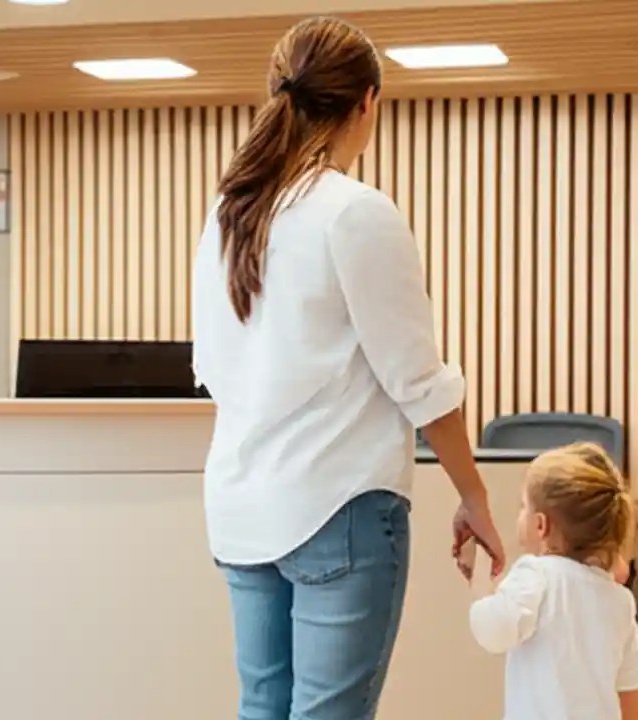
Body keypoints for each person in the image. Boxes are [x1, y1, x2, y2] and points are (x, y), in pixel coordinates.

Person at [191, 16, 506, 720]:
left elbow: (211, 367)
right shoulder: (354, 213)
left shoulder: (227, 214)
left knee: (264, 708)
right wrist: (475, 497)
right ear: (368, 102)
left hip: (243, 507)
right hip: (339, 509)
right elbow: (419, 383)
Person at [468, 442, 638, 720]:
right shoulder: (620, 600)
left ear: (541, 525)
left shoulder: (535, 574)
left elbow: (495, 631)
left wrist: (481, 588)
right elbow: (631, 695)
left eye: (523, 506)